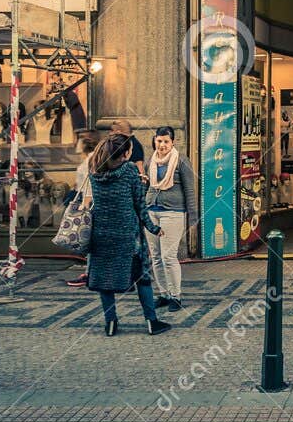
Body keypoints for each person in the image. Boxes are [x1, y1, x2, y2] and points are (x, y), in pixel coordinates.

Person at [86, 133, 171, 335]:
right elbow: (139, 205)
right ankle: (152, 321)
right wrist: (153, 228)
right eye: (130, 149)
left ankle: (111, 323)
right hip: (128, 234)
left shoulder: (94, 170)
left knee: (105, 280)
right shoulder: (130, 170)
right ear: (125, 153)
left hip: (101, 233)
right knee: (142, 277)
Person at [143, 126, 197, 311]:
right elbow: (147, 186)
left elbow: (190, 190)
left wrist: (193, 218)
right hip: (151, 211)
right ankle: (164, 294)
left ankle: (176, 296)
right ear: (155, 141)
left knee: (168, 256)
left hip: (173, 212)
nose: (162, 145)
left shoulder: (181, 161)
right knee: (156, 257)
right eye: (159, 141)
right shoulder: (150, 160)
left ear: (172, 142)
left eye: (166, 141)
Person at [64, 133, 101, 287]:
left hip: (88, 202)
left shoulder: (90, 160)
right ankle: (90, 272)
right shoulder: (90, 158)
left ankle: (90, 273)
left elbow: (89, 184)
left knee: (89, 239)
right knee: (89, 240)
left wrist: (84, 205)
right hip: (86, 200)